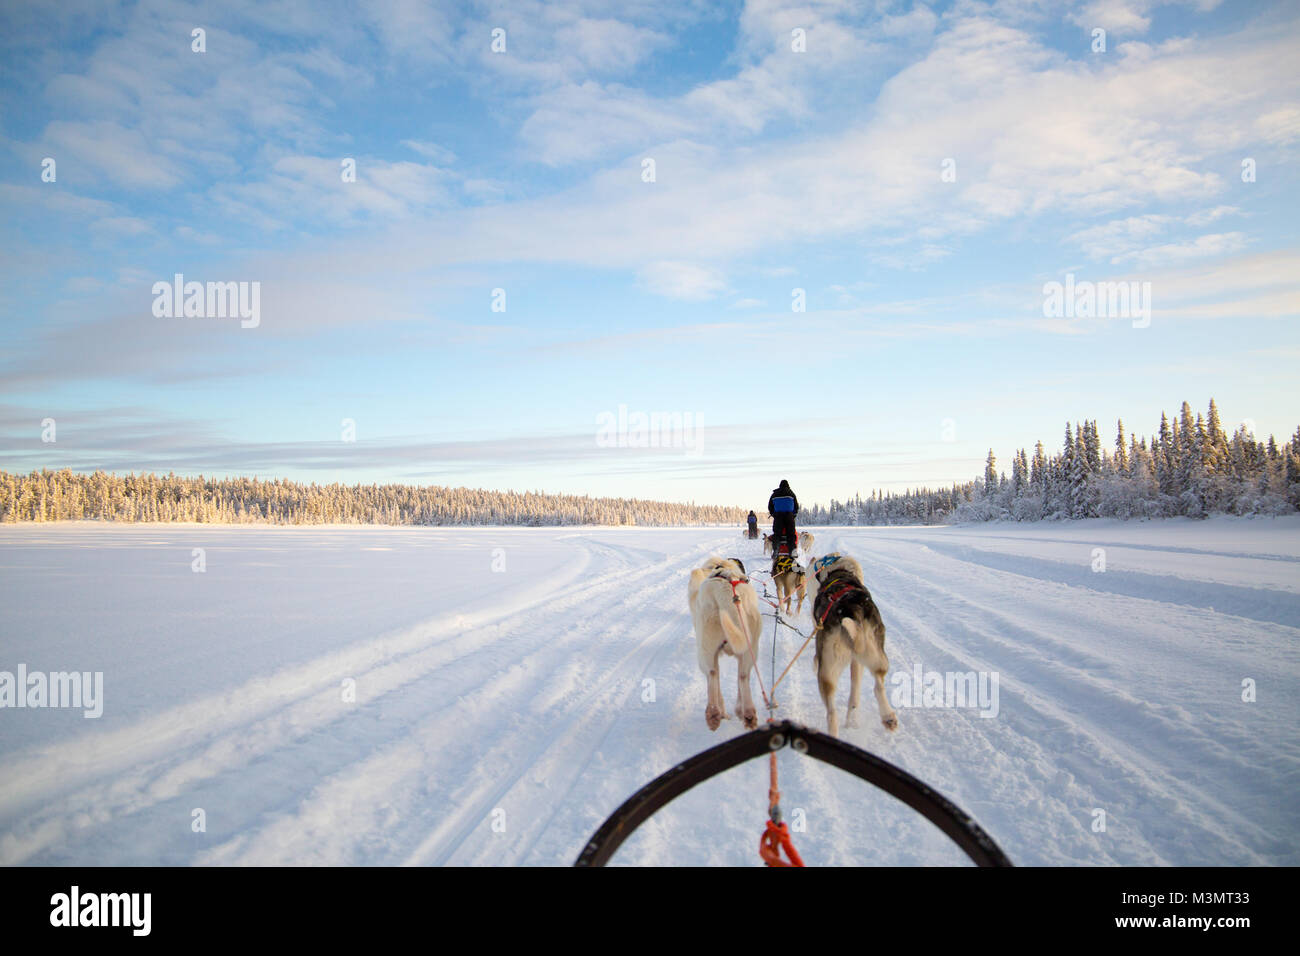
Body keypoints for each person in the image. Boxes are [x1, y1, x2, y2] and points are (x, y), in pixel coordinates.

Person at [767, 480, 799, 554]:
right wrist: (793, 515)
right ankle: (792, 551)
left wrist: (773, 514)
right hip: (789, 516)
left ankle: (776, 550)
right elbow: (796, 506)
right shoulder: (791, 493)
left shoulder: (774, 494)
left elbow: (770, 506)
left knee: (777, 534)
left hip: (778, 516)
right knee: (791, 534)